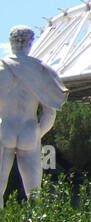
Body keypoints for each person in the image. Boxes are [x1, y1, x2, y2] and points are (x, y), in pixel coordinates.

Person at [0, 25, 67, 199]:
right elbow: (50, 112)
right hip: (28, 130)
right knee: (34, 193)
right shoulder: (41, 70)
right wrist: (38, 132)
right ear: (30, 43)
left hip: (4, 129)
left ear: (11, 42)